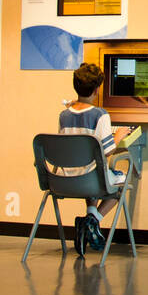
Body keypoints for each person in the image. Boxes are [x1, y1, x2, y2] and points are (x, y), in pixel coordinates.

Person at [57, 63, 131, 257]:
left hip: (65, 180)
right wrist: (119, 135)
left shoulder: (64, 115)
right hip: (90, 179)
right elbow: (107, 151)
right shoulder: (100, 115)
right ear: (97, 89)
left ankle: (88, 221)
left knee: (90, 172)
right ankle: (92, 220)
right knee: (122, 181)